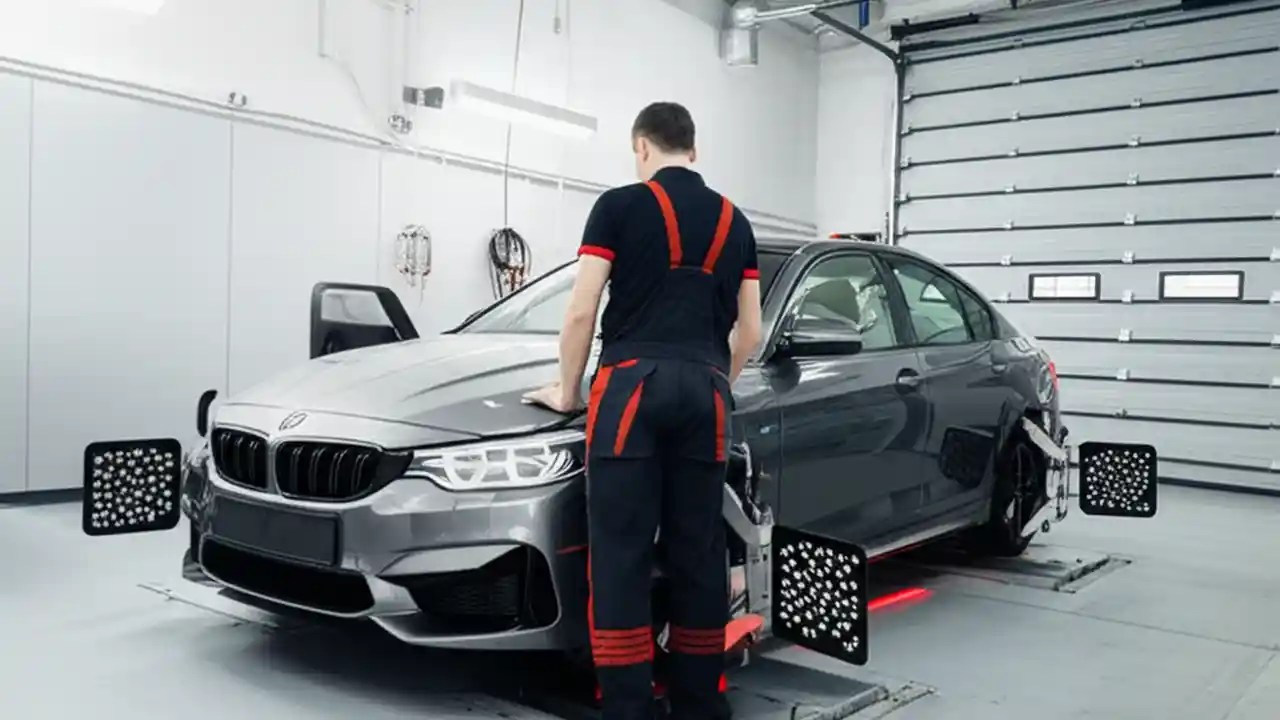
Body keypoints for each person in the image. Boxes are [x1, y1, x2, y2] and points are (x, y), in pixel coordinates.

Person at [523, 101, 763, 720]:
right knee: (699, 553)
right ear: (694, 149)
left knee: (620, 555)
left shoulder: (619, 206)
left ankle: (628, 706)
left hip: (630, 391)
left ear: (642, 147)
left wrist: (567, 390)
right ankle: (699, 703)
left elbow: (582, 309)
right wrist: (717, 381)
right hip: (707, 391)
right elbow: (751, 331)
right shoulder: (735, 222)